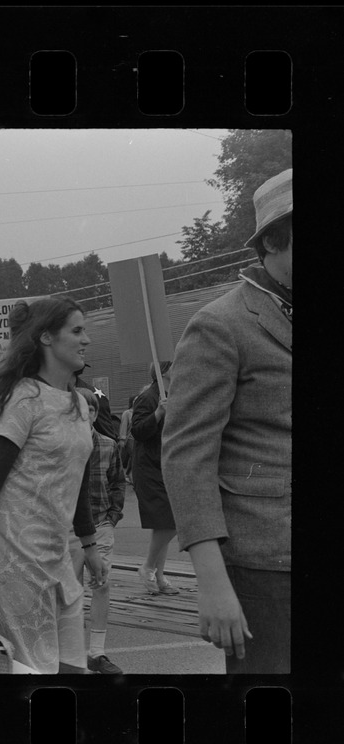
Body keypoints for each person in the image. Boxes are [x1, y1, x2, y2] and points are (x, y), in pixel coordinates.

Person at [162, 168, 292, 674]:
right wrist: (213, 583)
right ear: (275, 243)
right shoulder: (221, 324)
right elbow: (186, 457)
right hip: (265, 567)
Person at [0, 297, 106, 674]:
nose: (86, 339)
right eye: (77, 330)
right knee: (30, 673)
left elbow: (80, 480)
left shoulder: (79, 403)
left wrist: (90, 547)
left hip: (59, 562)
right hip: (16, 564)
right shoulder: (21, 399)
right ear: (46, 338)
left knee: (72, 668)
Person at [69, 388, 126, 674]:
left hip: (101, 523)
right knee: (70, 588)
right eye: (82, 409)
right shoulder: (63, 445)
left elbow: (118, 482)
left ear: (96, 413)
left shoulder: (108, 445)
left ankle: (97, 651)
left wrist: (114, 516)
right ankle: (72, 651)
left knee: (101, 582)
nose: (87, 414)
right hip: (69, 528)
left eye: (92, 409)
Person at [130, 360, 179, 596]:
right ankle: (148, 567)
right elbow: (137, 430)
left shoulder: (171, 394)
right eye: (173, 365)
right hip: (149, 470)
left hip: (165, 467)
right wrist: (159, 413)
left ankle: (159, 576)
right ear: (163, 372)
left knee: (164, 525)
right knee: (170, 522)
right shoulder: (149, 397)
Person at [117, 396, 137, 484]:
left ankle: (128, 474)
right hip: (129, 439)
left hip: (137, 439)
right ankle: (132, 477)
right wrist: (122, 439)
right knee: (134, 456)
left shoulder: (139, 412)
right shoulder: (127, 413)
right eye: (135, 400)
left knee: (133, 458)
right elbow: (124, 425)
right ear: (132, 402)